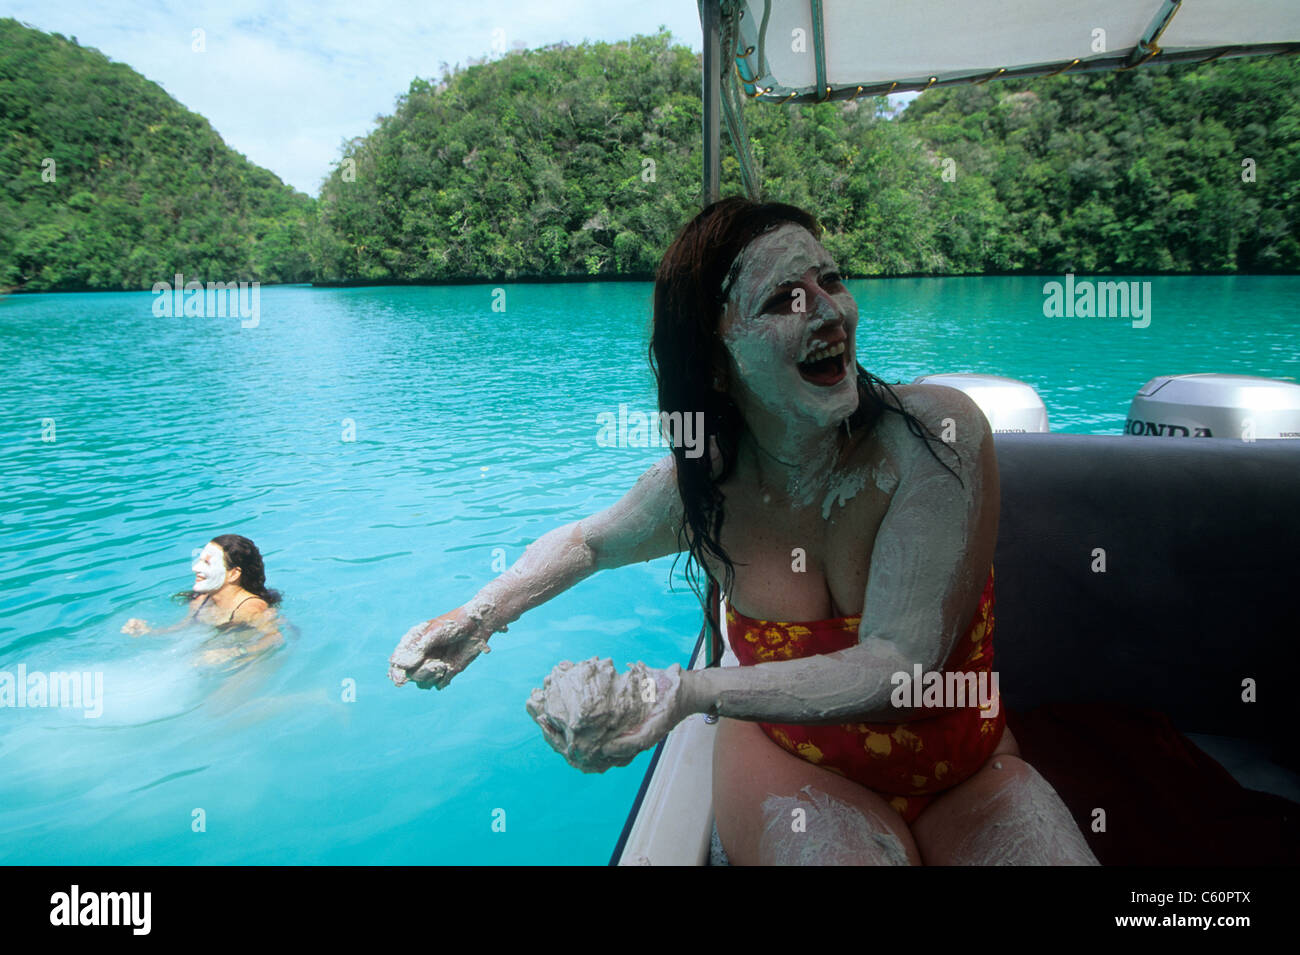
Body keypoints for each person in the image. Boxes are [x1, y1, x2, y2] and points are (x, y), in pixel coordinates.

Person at [389, 198, 1098, 865]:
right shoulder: (703, 486)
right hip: (792, 757)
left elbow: (900, 669)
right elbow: (590, 542)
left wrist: (685, 692)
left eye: (830, 281)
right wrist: (479, 613)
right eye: (784, 300)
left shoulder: (935, 438)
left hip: (965, 772)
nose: (830, 312)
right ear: (719, 365)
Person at [123, 533, 284, 669]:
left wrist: (234, 652)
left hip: (246, 662)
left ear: (234, 574)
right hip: (210, 656)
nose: (195, 568)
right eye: (199, 561)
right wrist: (149, 631)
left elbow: (274, 638)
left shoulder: (251, 608)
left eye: (206, 563)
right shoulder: (201, 600)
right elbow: (184, 627)